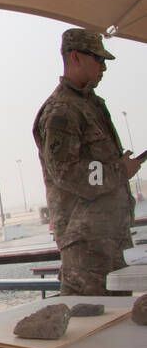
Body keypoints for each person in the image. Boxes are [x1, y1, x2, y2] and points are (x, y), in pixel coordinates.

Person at [32, 28, 143, 296]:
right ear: (76, 57)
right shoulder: (62, 111)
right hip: (87, 252)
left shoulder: (90, 105)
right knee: (94, 329)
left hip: (110, 243)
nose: (104, 67)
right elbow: (67, 173)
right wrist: (120, 171)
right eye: (98, 59)